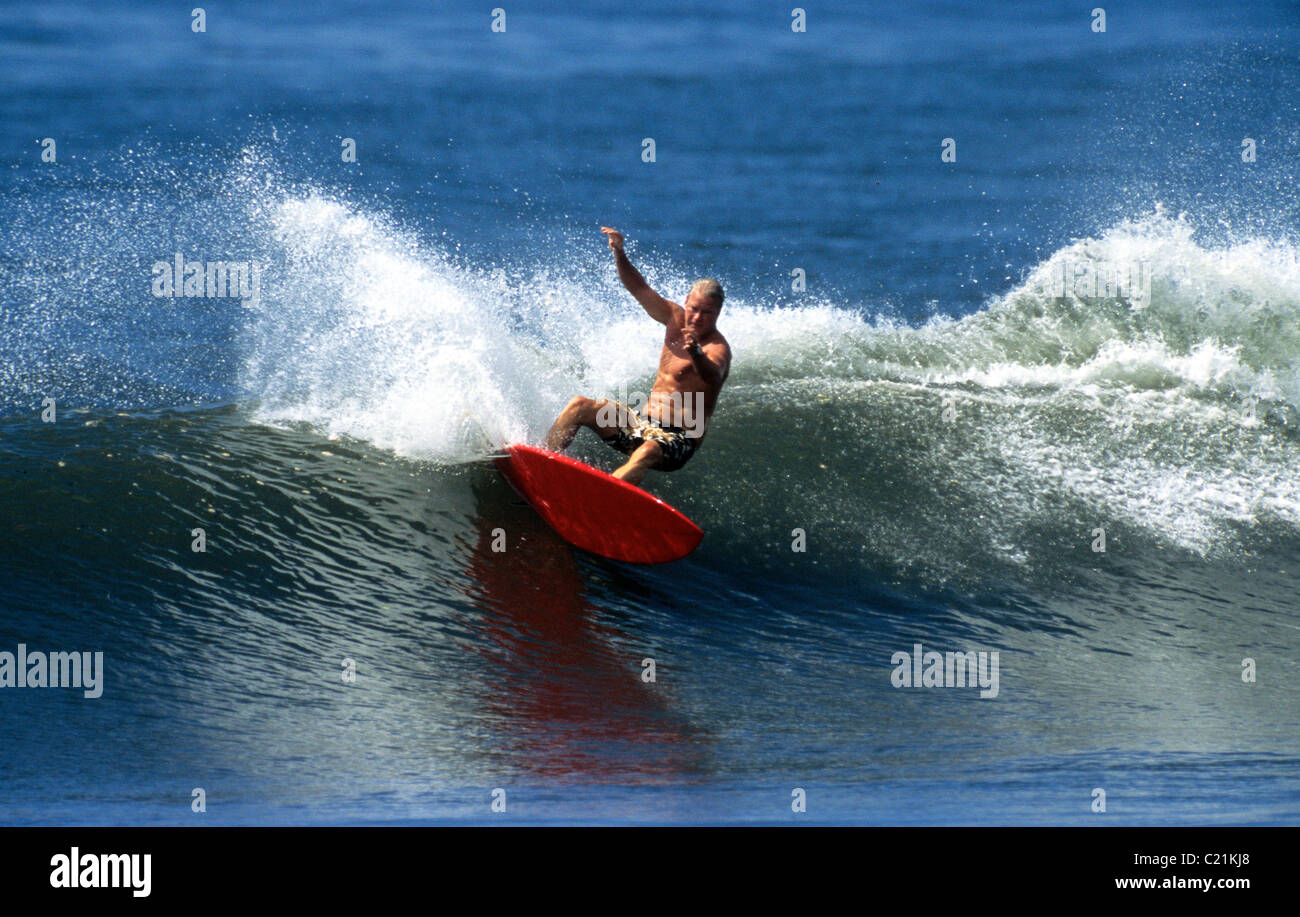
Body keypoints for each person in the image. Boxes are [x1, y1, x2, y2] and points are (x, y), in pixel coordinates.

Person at [543, 227, 732, 486]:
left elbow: (712, 375)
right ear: (686, 301)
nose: (697, 317)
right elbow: (638, 288)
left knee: (647, 450)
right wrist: (619, 252)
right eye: (694, 308)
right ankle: (539, 467)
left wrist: (696, 353)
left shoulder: (717, 348)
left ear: (718, 312)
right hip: (641, 425)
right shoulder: (674, 319)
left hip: (679, 440)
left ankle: (599, 500)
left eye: (707, 313)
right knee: (580, 406)